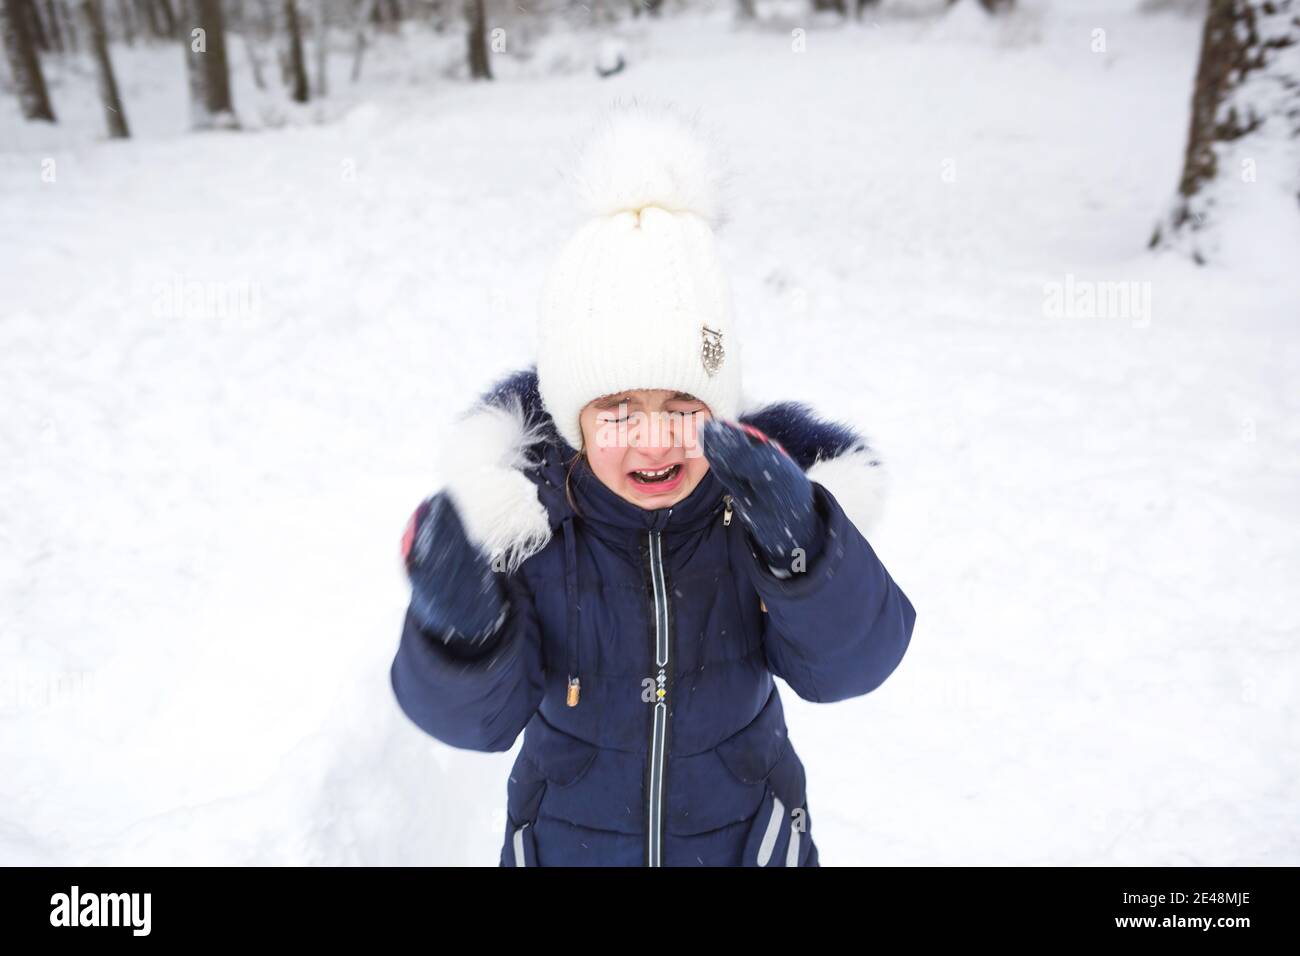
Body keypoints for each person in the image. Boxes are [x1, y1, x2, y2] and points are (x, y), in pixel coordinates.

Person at [390, 99, 917, 866]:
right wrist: (463, 634)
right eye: (617, 410)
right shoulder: (538, 526)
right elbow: (479, 723)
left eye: (682, 406)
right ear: (573, 418)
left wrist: (803, 550)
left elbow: (850, 666)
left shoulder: (753, 519)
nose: (652, 438)